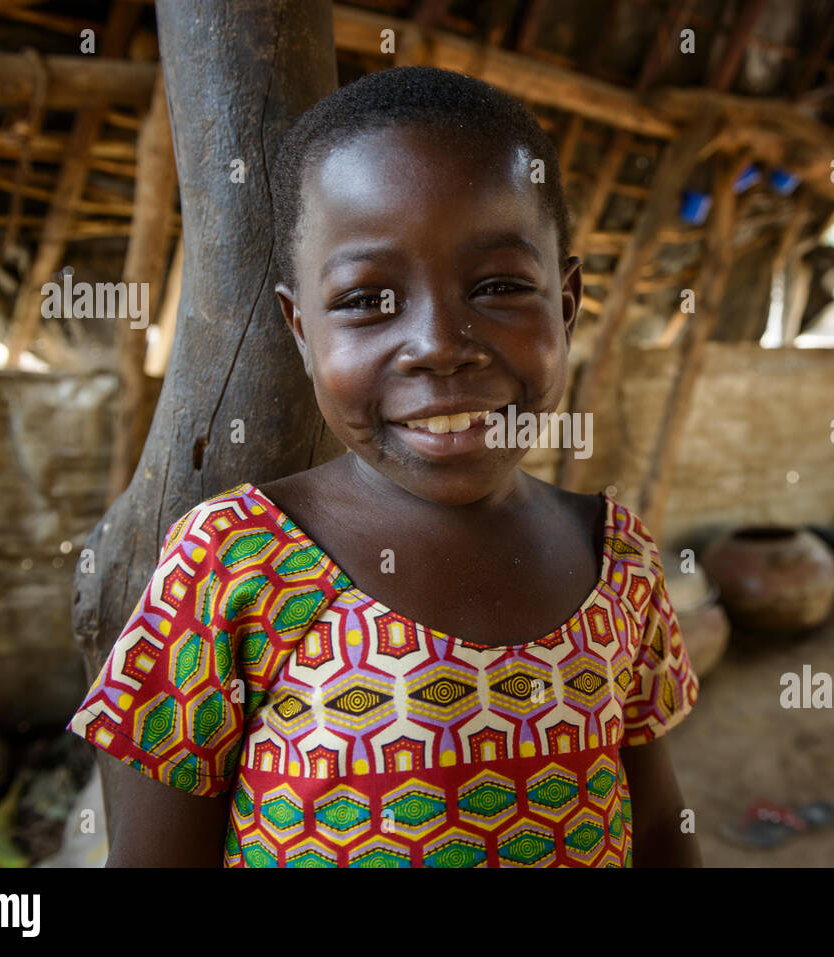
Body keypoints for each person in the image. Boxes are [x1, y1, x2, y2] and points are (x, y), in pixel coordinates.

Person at [67, 66, 701, 868]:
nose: (439, 342)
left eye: (500, 286)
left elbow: (657, 825)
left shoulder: (620, 558)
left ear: (566, 307)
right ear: (301, 331)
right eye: (367, 299)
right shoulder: (233, 565)